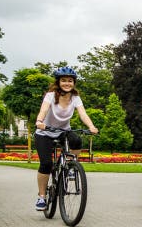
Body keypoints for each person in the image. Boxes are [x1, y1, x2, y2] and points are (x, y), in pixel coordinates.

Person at [33, 67, 98, 210]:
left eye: (70, 81)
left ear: (74, 83)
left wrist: (91, 126)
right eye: (63, 81)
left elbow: (83, 114)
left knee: (77, 141)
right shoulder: (51, 95)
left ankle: (68, 166)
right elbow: (43, 110)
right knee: (46, 164)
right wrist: (39, 122)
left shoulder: (75, 98)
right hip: (45, 132)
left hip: (63, 131)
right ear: (58, 82)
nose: (67, 83)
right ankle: (42, 197)